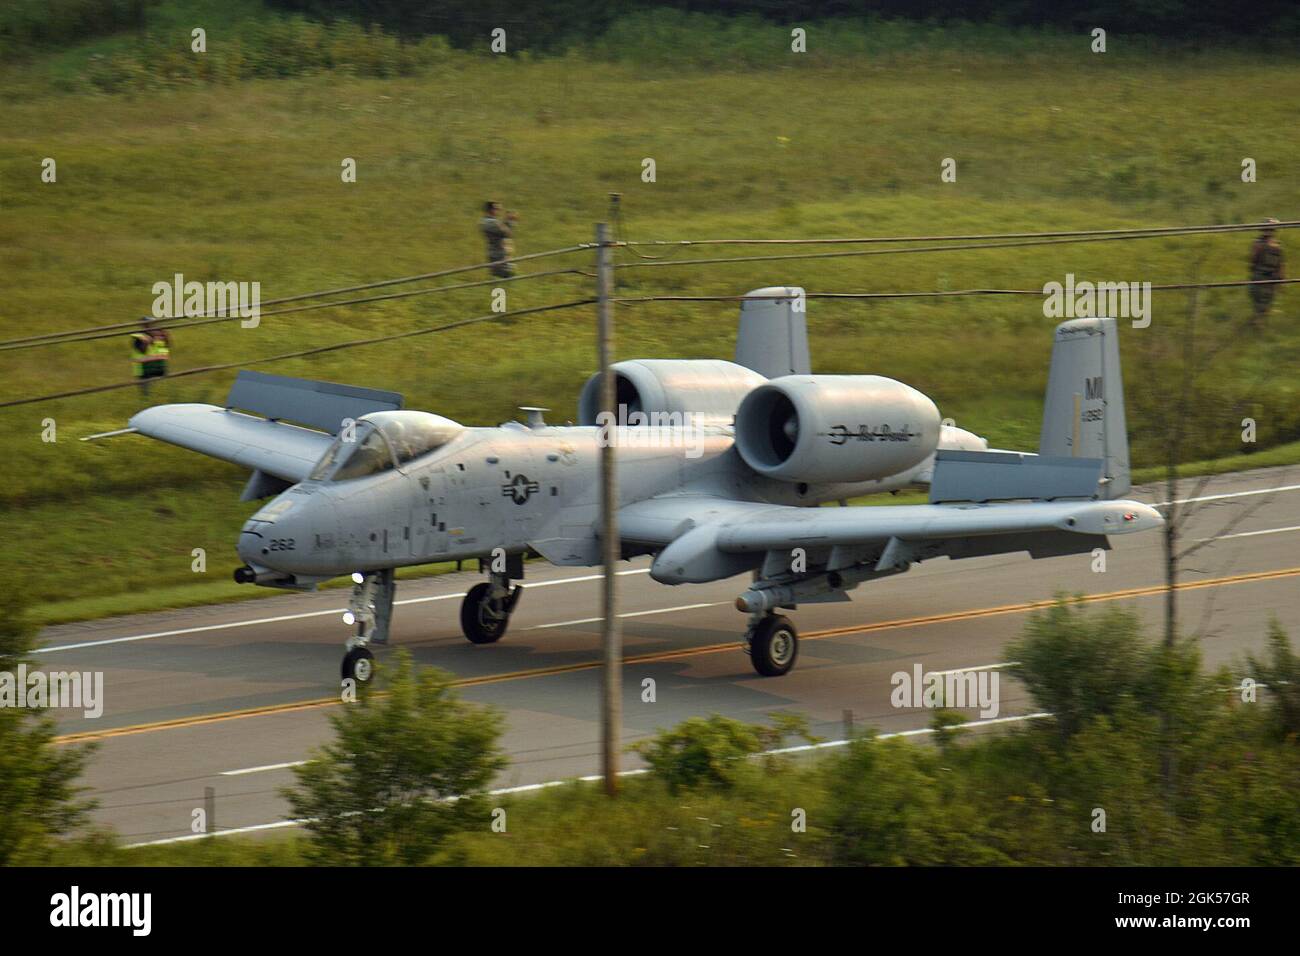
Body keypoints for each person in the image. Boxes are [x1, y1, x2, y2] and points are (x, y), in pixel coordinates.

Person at [1248, 218, 1284, 320]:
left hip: (1269, 277)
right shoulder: (1259, 244)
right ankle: (1257, 324)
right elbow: (1253, 260)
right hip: (1261, 277)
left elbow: (1280, 263)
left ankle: (1259, 323)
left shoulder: (1276, 245)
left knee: (1265, 305)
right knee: (1260, 306)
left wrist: (1280, 278)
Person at [480, 201, 519, 278]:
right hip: (498, 254)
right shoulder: (490, 222)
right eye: (497, 209)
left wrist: (508, 221)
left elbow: (504, 231)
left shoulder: (489, 221)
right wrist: (510, 221)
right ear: (491, 210)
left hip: (499, 252)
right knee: (504, 276)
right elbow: (507, 233)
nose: (499, 211)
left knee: (505, 276)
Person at [131, 318, 170, 395]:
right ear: (143, 326)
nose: (151, 327)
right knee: (146, 392)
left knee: (160, 392)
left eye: (152, 324)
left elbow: (165, 347)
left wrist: (165, 336)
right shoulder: (139, 337)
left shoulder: (157, 336)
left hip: (156, 367)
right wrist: (146, 342)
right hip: (142, 369)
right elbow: (142, 350)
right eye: (148, 325)